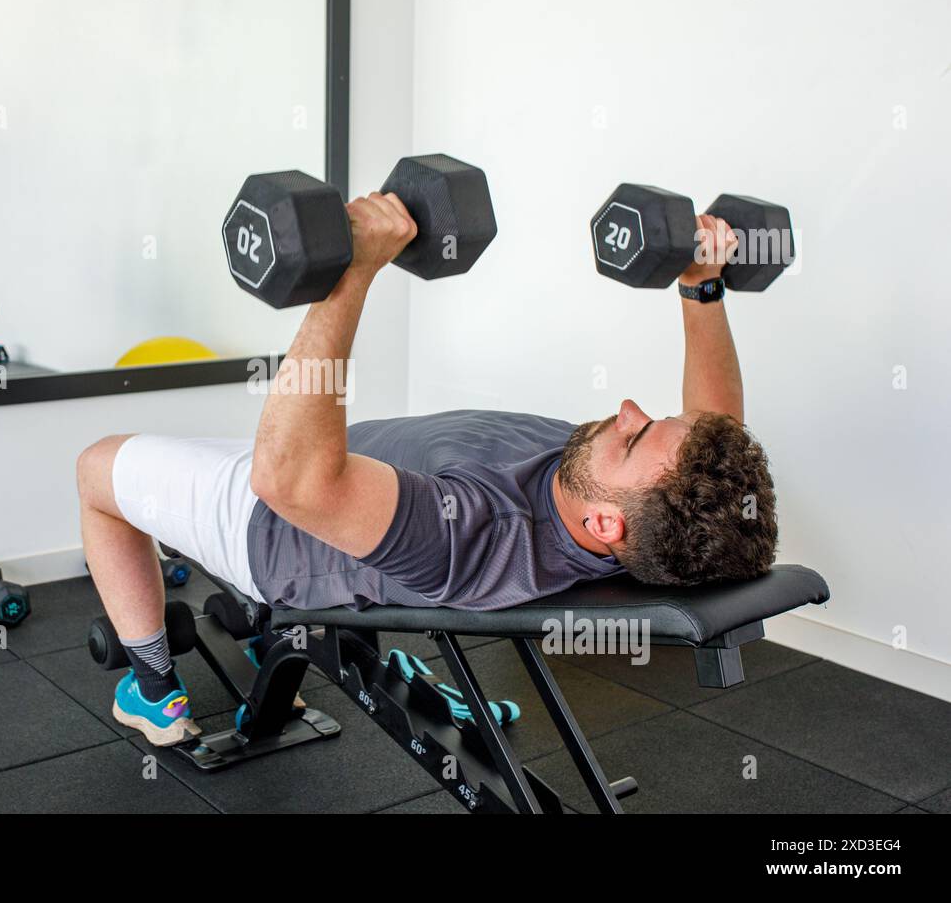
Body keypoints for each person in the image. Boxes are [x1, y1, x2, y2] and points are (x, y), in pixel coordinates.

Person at [76, 191, 778, 746]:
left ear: (604, 521)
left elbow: (286, 479)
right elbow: (719, 439)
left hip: (267, 519)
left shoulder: (475, 530)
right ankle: (263, 640)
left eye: (636, 435)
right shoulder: (657, 520)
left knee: (96, 471)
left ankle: (152, 685)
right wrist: (702, 285)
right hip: (309, 463)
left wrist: (353, 272)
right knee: (205, 455)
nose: (627, 410)